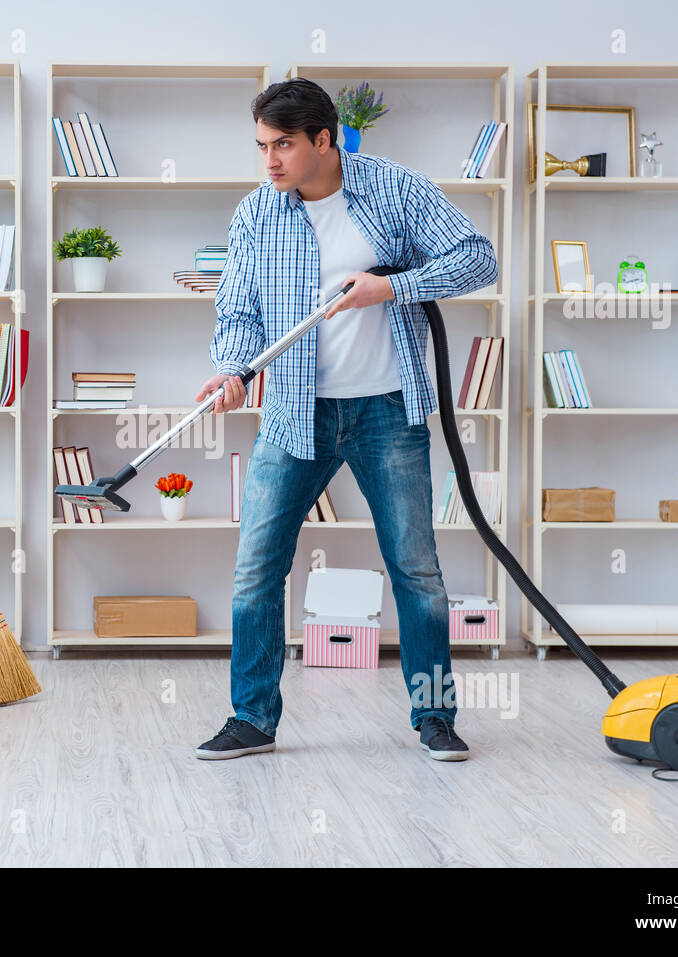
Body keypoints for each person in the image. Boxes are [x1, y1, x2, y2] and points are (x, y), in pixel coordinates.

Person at [194, 78, 498, 762]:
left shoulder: (396, 189)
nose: (269, 161)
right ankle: (252, 718)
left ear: (325, 139)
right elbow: (239, 312)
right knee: (256, 566)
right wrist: (233, 369)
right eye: (262, 146)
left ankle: (435, 717)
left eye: (283, 145)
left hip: (389, 407)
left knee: (415, 567)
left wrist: (391, 286)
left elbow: (479, 257)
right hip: (296, 410)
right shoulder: (257, 213)